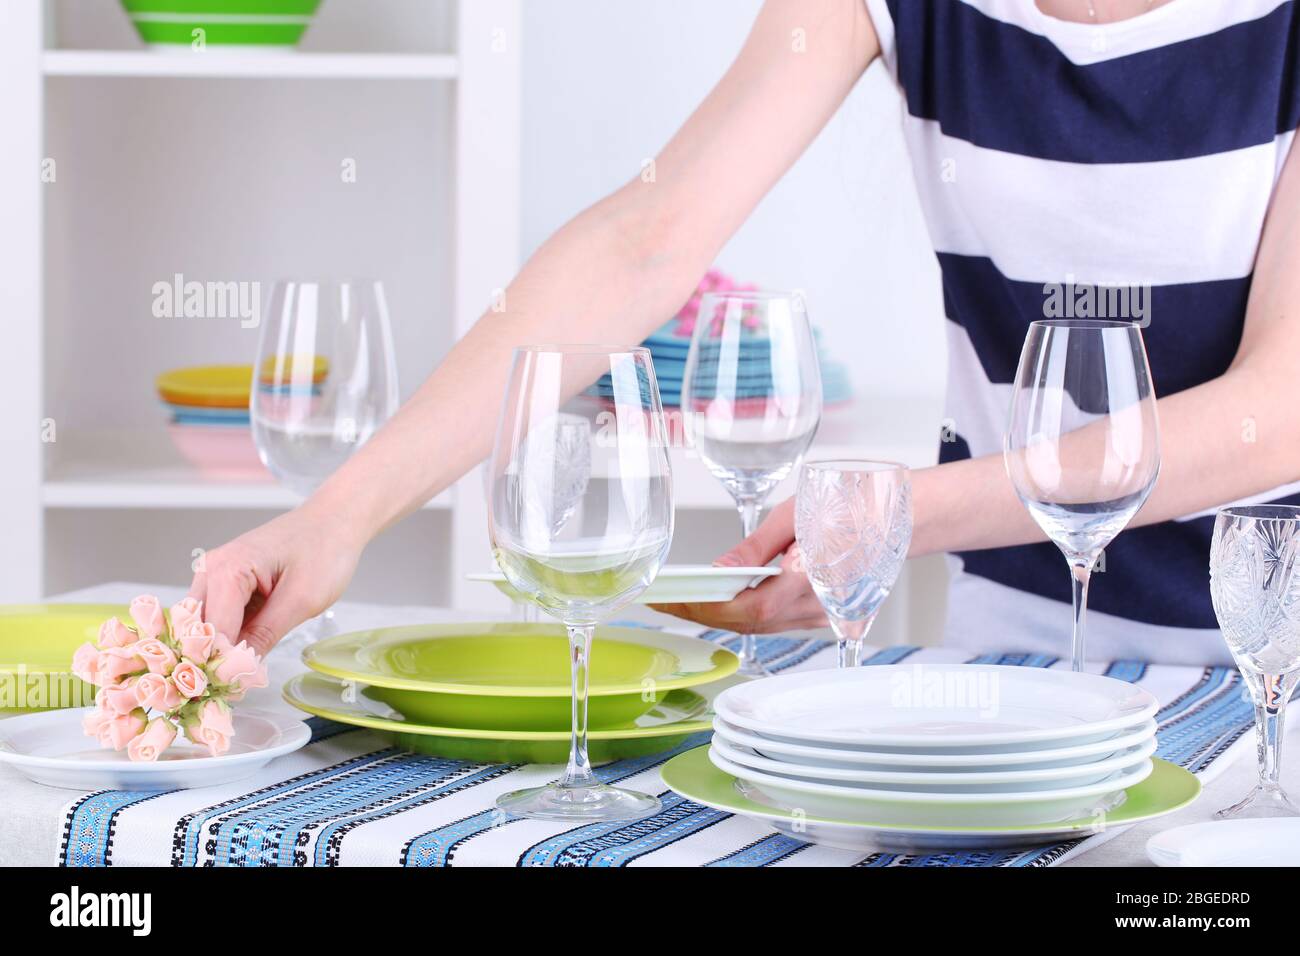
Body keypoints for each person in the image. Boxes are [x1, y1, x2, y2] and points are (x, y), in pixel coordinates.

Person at [189, 0, 1300, 667]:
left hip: (1269, 666)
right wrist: (339, 516)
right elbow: (645, 239)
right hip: (1005, 647)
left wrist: (884, 519)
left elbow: (1276, 412)